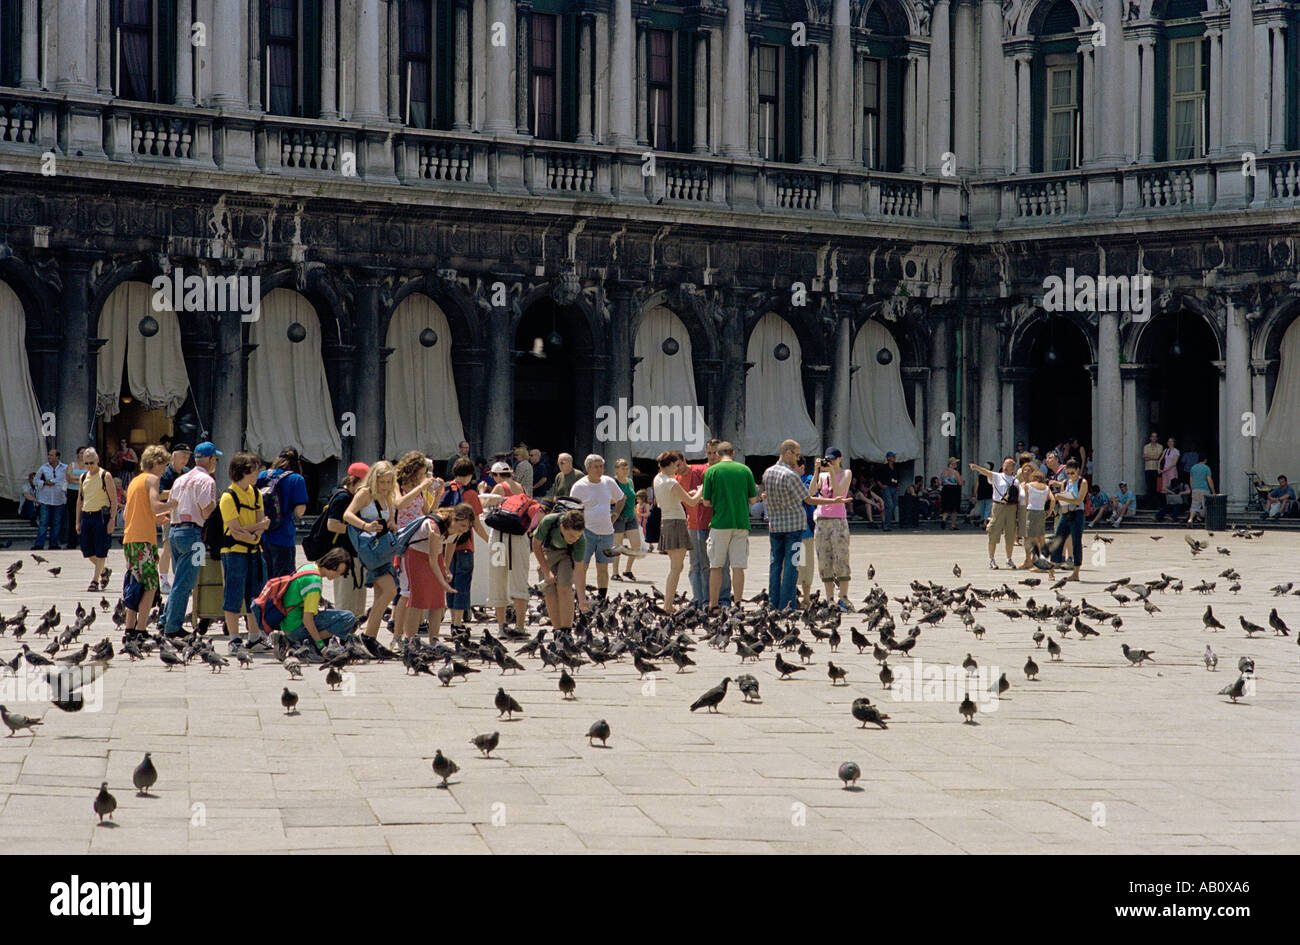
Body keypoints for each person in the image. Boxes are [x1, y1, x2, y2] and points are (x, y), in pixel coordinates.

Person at [343, 460, 428, 643]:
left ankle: (371, 635)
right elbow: (347, 515)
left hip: (383, 550)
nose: (386, 486)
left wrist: (392, 525)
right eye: (383, 482)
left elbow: (389, 519)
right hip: (370, 550)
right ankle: (367, 635)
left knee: (381, 595)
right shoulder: (365, 493)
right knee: (390, 591)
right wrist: (365, 525)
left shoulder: (387, 496)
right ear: (375, 479)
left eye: (389, 482)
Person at [162, 442, 220, 636]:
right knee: (186, 583)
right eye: (216, 459)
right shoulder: (207, 480)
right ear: (211, 459)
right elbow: (206, 511)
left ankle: (165, 620)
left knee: (178, 579)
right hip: (194, 536)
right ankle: (173, 627)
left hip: (175, 531)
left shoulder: (181, 479)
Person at [253, 548, 358, 647]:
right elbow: (307, 619)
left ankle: (295, 641)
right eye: (338, 572)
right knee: (348, 617)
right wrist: (320, 645)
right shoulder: (314, 582)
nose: (338, 575)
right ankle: (309, 644)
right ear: (331, 565)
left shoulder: (308, 568)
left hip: (288, 625)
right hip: (297, 629)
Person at [122, 446, 175, 635]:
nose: (164, 470)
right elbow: (154, 505)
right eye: (163, 465)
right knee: (151, 585)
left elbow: (128, 513)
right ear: (154, 463)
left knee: (135, 582)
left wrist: (154, 518)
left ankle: (130, 627)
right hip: (144, 540)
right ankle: (141, 629)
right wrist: (171, 504)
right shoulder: (152, 479)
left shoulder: (135, 481)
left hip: (131, 539)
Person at [391, 452, 440, 646]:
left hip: (420, 540)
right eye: (420, 473)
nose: (423, 476)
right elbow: (399, 503)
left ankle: (406, 634)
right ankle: (397, 636)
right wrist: (421, 486)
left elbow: (428, 512)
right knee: (406, 590)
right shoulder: (398, 485)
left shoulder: (420, 489)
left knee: (414, 590)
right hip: (405, 540)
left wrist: (437, 494)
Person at [219, 452, 270, 642]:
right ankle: (234, 638)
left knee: (256, 596)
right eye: (255, 471)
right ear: (244, 472)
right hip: (234, 553)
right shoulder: (228, 497)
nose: (258, 475)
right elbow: (234, 530)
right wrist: (257, 530)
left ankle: (255, 636)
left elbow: (259, 523)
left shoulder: (256, 493)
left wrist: (252, 534)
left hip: (255, 551)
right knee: (233, 595)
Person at [703, 442, 758, 611]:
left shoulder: (711, 471)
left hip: (720, 524)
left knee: (716, 566)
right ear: (733, 453)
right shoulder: (745, 470)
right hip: (740, 523)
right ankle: (738, 603)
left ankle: (713, 604)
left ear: (718, 455)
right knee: (738, 566)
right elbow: (753, 500)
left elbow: (706, 502)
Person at [570, 454, 625, 607]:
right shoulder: (579, 486)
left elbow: (622, 498)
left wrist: (616, 514)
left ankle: (601, 598)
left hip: (606, 531)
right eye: (596, 466)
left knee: (603, 567)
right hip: (586, 532)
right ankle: (580, 596)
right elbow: (572, 508)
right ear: (588, 468)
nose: (600, 469)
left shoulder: (609, 482)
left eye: (601, 466)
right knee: (582, 566)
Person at [680, 440, 730, 609]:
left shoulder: (724, 470)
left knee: (720, 563)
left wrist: (700, 498)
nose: (712, 457)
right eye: (708, 453)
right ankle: (701, 599)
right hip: (697, 523)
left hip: (718, 523)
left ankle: (721, 599)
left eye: (715, 453)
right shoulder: (700, 469)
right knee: (700, 564)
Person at [762, 440, 811, 612]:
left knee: (775, 564)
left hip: (775, 526)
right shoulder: (791, 475)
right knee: (792, 565)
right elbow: (808, 498)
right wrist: (834, 501)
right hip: (794, 527)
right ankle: (787, 605)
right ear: (788, 452)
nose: (798, 459)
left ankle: (773, 604)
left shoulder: (768, 473)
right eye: (797, 455)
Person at [483, 460, 531, 632]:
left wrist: (482, 492)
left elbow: (484, 505)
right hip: (519, 536)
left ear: (496, 475)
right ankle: (520, 625)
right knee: (520, 578)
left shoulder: (500, 488)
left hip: (500, 537)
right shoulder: (521, 488)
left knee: (498, 578)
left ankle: (502, 625)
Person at [652, 451, 703, 614]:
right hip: (676, 522)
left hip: (667, 521)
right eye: (676, 465)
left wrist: (691, 495)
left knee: (676, 566)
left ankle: (668, 603)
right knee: (676, 567)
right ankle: (667, 605)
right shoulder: (670, 482)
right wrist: (701, 489)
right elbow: (691, 501)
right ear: (671, 464)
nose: (678, 468)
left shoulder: (658, 479)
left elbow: (679, 498)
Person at [440, 459, 487, 631]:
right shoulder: (470, 494)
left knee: (450, 582)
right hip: (465, 545)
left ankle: (453, 619)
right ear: (469, 475)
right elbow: (476, 524)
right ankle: (458, 624)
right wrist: (489, 540)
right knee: (463, 583)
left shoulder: (445, 489)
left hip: (445, 545)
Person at [323, 463, 370, 620]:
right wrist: (359, 529)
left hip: (355, 554)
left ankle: (350, 633)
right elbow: (332, 524)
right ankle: (341, 635)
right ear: (353, 480)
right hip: (343, 554)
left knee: (357, 600)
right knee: (346, 599)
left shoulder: (353, 497)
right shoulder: (342, 497)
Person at [809, 448, 854, 608]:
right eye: (828, 460)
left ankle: (843, 596)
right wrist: (816, 471)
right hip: (821, 520)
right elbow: (812, 492)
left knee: (841, 557)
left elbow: (839, 493)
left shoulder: (846, 473)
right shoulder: (822, 476)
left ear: (840, 459)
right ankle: (829, 598)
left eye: (833, 460)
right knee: (824, 559)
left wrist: (833, 472)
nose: (831, 462)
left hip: (838, 520)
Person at [257, 447, 310, 578]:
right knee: (284, 580)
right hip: (284, 535)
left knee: (264, 579)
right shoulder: (297, 479)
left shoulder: (263, 475)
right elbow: (300, 511)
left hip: (261, 534)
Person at [532, 509, 587, 632]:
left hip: (567, 555)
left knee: (564, 587)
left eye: (578, 536)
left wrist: (582, 599)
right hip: (548, 552)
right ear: (562, 527)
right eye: (571, 535)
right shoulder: (549, 521)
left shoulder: (580, 541)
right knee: (550, 591)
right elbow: (536, 545)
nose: (575, 538)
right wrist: (546, 572)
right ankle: (557, 631)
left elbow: (579, 570)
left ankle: (566, 631)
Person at [74, 448, 118, 591]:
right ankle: (104, 571)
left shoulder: (105, 476)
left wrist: (112, 519)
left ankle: (95, 580)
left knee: (101, 549)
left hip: (101, 515)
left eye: (91, 463)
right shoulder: (83, 477)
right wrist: (77, 521)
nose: (89, 466)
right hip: (87, 515)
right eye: (86, 463)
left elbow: (114, 500)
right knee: (86, 550)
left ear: (97, 461)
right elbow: (80, 500)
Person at [969, 458, 1019, 569]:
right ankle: (991, 559)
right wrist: (976, 467)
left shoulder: (1015, 480)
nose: (1006, 466)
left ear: (1013, 467)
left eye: (1009, 465)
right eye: (1005, 464)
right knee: (994, 532)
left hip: (1011, 507)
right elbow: (986, 472)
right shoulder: (997, 476)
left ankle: (1009, 559)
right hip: (999, 506)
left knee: (1010, 533)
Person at [156, 443, 192, 594]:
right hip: (169, 515)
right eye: (182, 455)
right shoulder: (165, 473)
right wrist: (177, 491)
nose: (185, 459)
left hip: (186, 515)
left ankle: (182, 580)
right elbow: (159, 493)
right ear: (174, 455)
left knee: (185, 550)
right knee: (168, 548)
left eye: (188, 456)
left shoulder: (187, 472)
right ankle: (164, 580)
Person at [1047, 459, 1088, 582]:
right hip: (1065, 514)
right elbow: (1062, 499)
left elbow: (1078, 501)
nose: (1071, 475)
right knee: (1057, 539)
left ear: (1077, 471)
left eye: (1073, 473)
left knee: (1076, 542)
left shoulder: (1082, 482)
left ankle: (1076, 572)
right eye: (1068, 473)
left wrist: (1062, 497)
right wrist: (1061, 498)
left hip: (1077, 514)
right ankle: (1051, 569)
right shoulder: (1065, 482)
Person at [610, 458, 643, 580]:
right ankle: (615, 572)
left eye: (627, 468)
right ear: (616, 470)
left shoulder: (629, 481)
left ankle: (628, 570)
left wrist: (636, 514)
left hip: (630, 516)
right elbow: (609, 499)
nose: (625, 471)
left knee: (636, 546)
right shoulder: (614, 482)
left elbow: (633, 499)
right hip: (619, 516)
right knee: (617, 546)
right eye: (622, 469)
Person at [32, 448, 68, 551]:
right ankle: (39, 544)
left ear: (57, 457)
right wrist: (44, 483)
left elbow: (68, 480)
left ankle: (54, 543)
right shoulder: (43, 468)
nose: (49, 457)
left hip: (59, 498)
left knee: (56, 522)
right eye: (49, 455)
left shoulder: (64, 468)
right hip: (45, 499)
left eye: (52, 455)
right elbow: (35, 480)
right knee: (43, 522)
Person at [795, 457, 817, 603]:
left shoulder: (808, 479)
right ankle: (794, 596)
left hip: (806, 529)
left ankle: (807, 597)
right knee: (792, 564)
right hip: (791, 530)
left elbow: (810, 494)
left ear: (802, 467)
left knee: (806, 564)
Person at [1020, 470, 1053, 568]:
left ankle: (1037, 562)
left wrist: (1027, 508)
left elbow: (1026, 501)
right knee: (1041, 537)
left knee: (1032, 538)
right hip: (1041, 512)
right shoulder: (1046, 487)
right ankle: (1042, 560)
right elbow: (1053, 499)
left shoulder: (1028, 486)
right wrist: (1050, 511)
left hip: (1031, 512)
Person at [64, 447, 87, 548]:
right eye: (81, 453)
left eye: (84, 453)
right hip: (72, 492)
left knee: (84, 517)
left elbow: (90, 478)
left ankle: (84, 542)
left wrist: (76, 478)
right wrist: (82, 478)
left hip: (85, 492)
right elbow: (69, 478)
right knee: (73, 517)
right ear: (77, 454)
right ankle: (72, 542)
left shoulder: (89, 465)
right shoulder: (72, 465)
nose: (82, 455)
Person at [1187, 457, 1215, 525]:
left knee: (1194, 505)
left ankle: (1190, 519)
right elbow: (1209, 480)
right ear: (1205, 460)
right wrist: (1213, 490)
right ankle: (1206, 520)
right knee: (1205, 505)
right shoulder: (1206, 468)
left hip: (1195, 489)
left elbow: (1191, 480)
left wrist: (1192, 489)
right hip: (1204, 489)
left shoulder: (1193, 468)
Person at [878, 452, 900, 531]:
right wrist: (881, 486)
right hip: (887, 488)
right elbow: (878, 478)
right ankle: (886, 525)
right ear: (888, 458)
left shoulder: (896, 467)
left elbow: (898, 476)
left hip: (894, 487)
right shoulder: (883, 467)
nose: (894, 457)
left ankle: (888, 523)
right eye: (892, 456)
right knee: (889, 505)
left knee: (893, 506)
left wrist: (898, 485)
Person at [1142, 432, 1162, 508]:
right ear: (1150, 438)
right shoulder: (1146, 447)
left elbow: (1158, 457)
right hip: (1148, 469)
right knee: (1149, 487)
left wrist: (1149, 457)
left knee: (1156, 487)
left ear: (1157, 438)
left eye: (1155, 437)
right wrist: (1153, 457)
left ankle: (1157, 504)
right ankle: (1149, 505)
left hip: (1156, 469)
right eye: (1152, 436)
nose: (1154, 438)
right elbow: (1144, 457)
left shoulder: (1160, 446)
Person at [973, 460, 995, 527]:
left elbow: (976, 486)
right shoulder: (991, 476)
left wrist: (974, 494)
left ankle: (983, 520)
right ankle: (985, 521)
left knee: (982, 509)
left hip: (981, 494)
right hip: (989, 494)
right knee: (988, 509)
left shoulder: (980, 476)